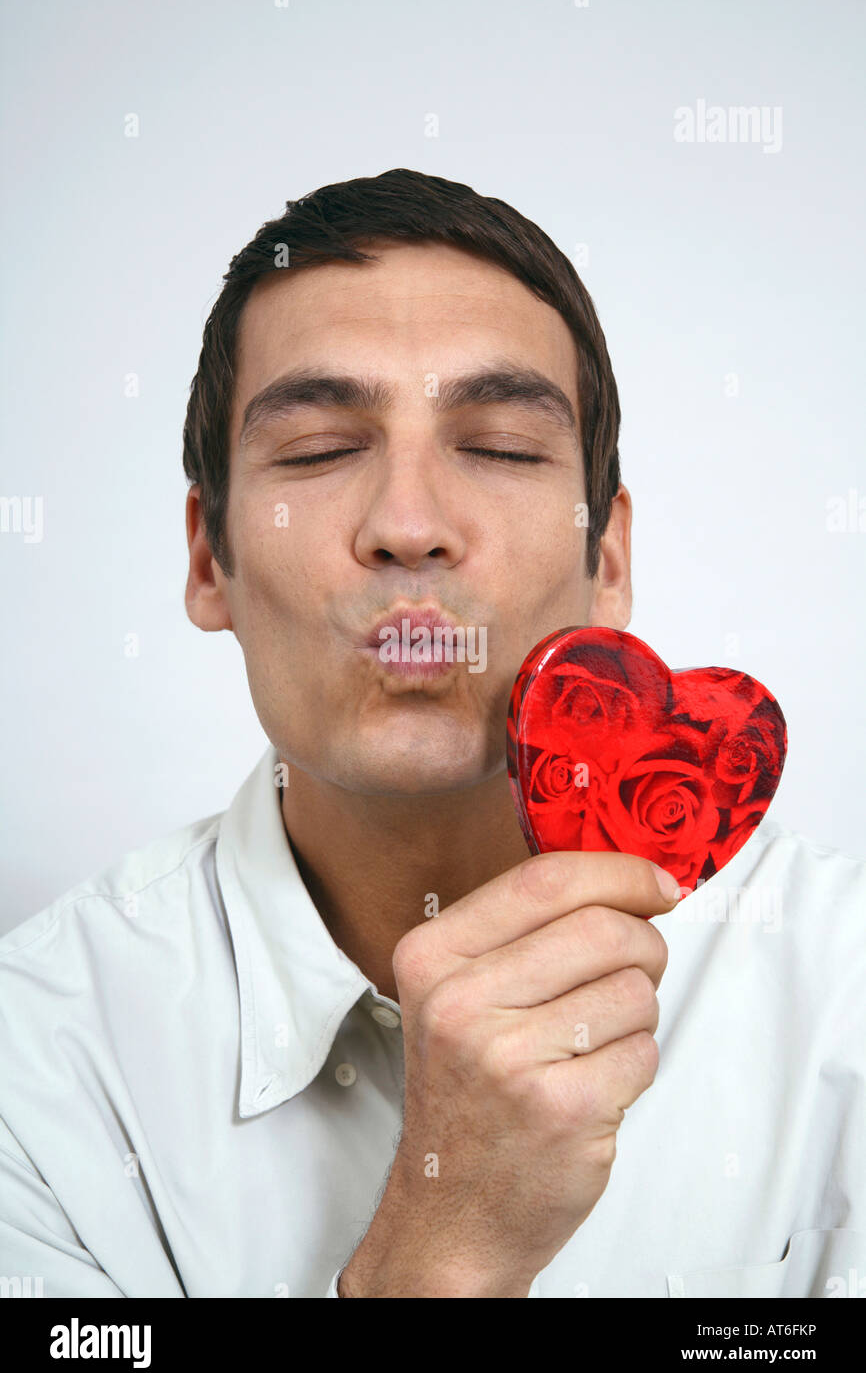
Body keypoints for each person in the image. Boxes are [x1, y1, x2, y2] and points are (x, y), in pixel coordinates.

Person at [1, 169, 863, 1299]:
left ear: (606, 559)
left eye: (501, 448)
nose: (408, 528)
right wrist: (439, 1250)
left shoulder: (842, 989)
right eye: (315, 452)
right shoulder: (33, 1078)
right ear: (210, 558)